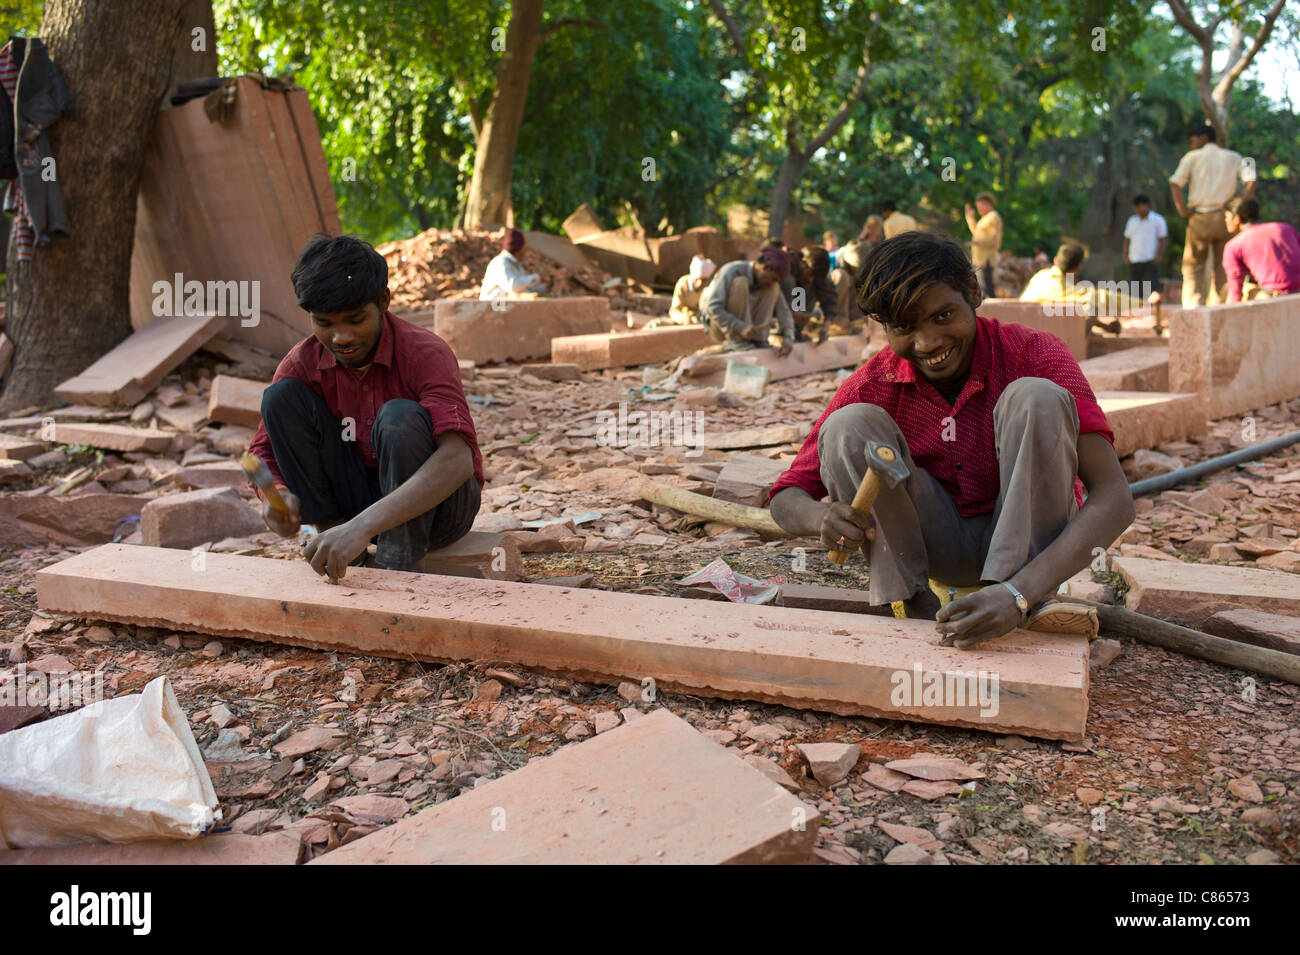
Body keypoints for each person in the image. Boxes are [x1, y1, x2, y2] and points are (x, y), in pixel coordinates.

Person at [768, 232, 1133, 646]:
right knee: (848, 425)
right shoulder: (874, 383)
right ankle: (910, 604)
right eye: (905, 328)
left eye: (943, 316)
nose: (928, 343)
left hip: (1031, 548)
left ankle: (1023, 595)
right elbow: (785, 495)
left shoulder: (1034, 352)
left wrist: (1018, 594)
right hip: (936, 547)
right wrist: (821, 517)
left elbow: (1115, 499)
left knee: (1037, 397)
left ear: (973, 293)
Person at [248, 234, 483, 580]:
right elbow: (260, 453)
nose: (341, 337)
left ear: (384, 301)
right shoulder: (301, 363)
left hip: (441, 511)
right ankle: (337, 540)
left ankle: (396, 558)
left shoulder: (423, 352)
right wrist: (277, 498)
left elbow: (458, 459)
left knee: (398, 418)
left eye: (355, 320)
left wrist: (363, 526)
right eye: (324, 323)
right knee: (280, 398)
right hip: (358, 505)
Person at [1168, 122, 1256, 306]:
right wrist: (1238, 206)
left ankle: (1193, 308)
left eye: (1192, 141)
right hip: (1227, 219)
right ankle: (1221, 306)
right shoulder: (1233, 157)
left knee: (1194, 268)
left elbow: (1175, 183)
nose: (1191, 146)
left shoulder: (1192, 157)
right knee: (1224, 266)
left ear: (1203, 138)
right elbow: (1251, 179)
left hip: (1199, 218)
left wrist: (1183, 210)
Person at [698, 246, 796, 356]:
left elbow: (784, 311)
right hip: (720, 328)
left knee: (774, 289)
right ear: (765, 267)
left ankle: (759, 340)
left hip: (750, 331)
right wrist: (740, 326)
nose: (773, 282)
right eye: (773, 278)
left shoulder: (771, 283)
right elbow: (712, 307)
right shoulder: (731, 270)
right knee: (741, 282)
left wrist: (789, 336)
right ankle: (736, 340)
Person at [1019, 241, 1122, 336]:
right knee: (1091, 307)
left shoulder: (1040, 276)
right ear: (1079, 267)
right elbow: (1094, 301)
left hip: (1023, 326)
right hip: (1044, 334)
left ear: (1055, 260)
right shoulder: (1068, 288)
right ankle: (1077, 343)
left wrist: (1105, 327)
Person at [1223, 197, 1300, 302]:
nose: (1225, 220)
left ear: (1236, 219)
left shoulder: (1234, 245)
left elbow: (1235, 288)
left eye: (1227, 217)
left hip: (1275, 297)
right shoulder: (1285, 228)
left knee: (1228, 289)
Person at [783, 245, 837, 343]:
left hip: (798, 311)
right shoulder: (788, 263)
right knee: (789, 281)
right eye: (810, 275)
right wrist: (791, 314)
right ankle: (784, 332)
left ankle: (797, 331)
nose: (811, 279)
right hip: (780, 313)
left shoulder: (816, 272)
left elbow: (829, 299)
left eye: (814, 277)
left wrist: (826, 326)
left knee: (811, 285)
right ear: (803, 262)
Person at [480, 228, 545, 301]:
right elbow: (513, 286)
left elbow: (524, 288)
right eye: (525, 248)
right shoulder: (501, 263)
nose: (526, 252)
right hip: (492, 309)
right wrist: (536, 278)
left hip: (504, 309)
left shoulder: (516, 266)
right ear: (518, 250)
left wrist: (544, 287)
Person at [1122, 194, 1167, 297]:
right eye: (1136, 207)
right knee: (1134, 291)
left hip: (1150, 260)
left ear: (1148, 205)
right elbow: (1127, 239)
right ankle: (1135, 312)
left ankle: (1152, 311)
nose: (1138, 209)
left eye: (1140, 206)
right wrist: (1125, 256)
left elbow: (1162, 240)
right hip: (1134, 260)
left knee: (1151, 291)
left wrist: (1158, 256)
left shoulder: (1158, 220)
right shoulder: (1132, 221)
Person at [964, 193, 1002, 299]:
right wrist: (970, 218)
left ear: (987, 204)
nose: (979, 209)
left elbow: (993, 239)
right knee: (982, 284)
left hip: (987, 257)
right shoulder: (984, 219)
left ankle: (992, 309)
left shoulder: (993, 217)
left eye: (980, 206)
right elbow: (976, 233)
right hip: (979, 257)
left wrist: (976, 243)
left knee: (986, 286)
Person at [664, 255, 716, 324]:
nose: (700, 283)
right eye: (697, 279)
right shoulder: (683, 284)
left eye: (704, 280)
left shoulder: (708, 288)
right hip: (683, 319)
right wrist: (682, 319)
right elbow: (674, 311)